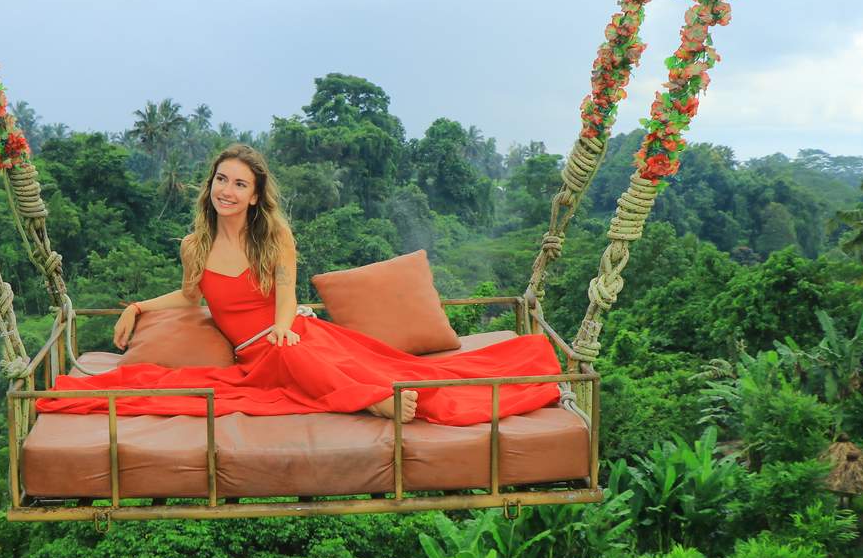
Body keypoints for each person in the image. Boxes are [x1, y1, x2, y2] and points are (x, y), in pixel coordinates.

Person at [36, 144, 561, 425]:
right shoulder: (194, 245)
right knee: (281, 360)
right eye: (222, 179)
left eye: (240, 183)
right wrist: (138, 306)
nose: (228, 189)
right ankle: (376, 401)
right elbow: (192, 295)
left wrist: (284, 329)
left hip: (290, 338)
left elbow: (284, 298)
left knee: (311, 356)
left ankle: (375, 397)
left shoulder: (275, 237)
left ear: (256, 195)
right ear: (211, 185)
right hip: (253, 354)